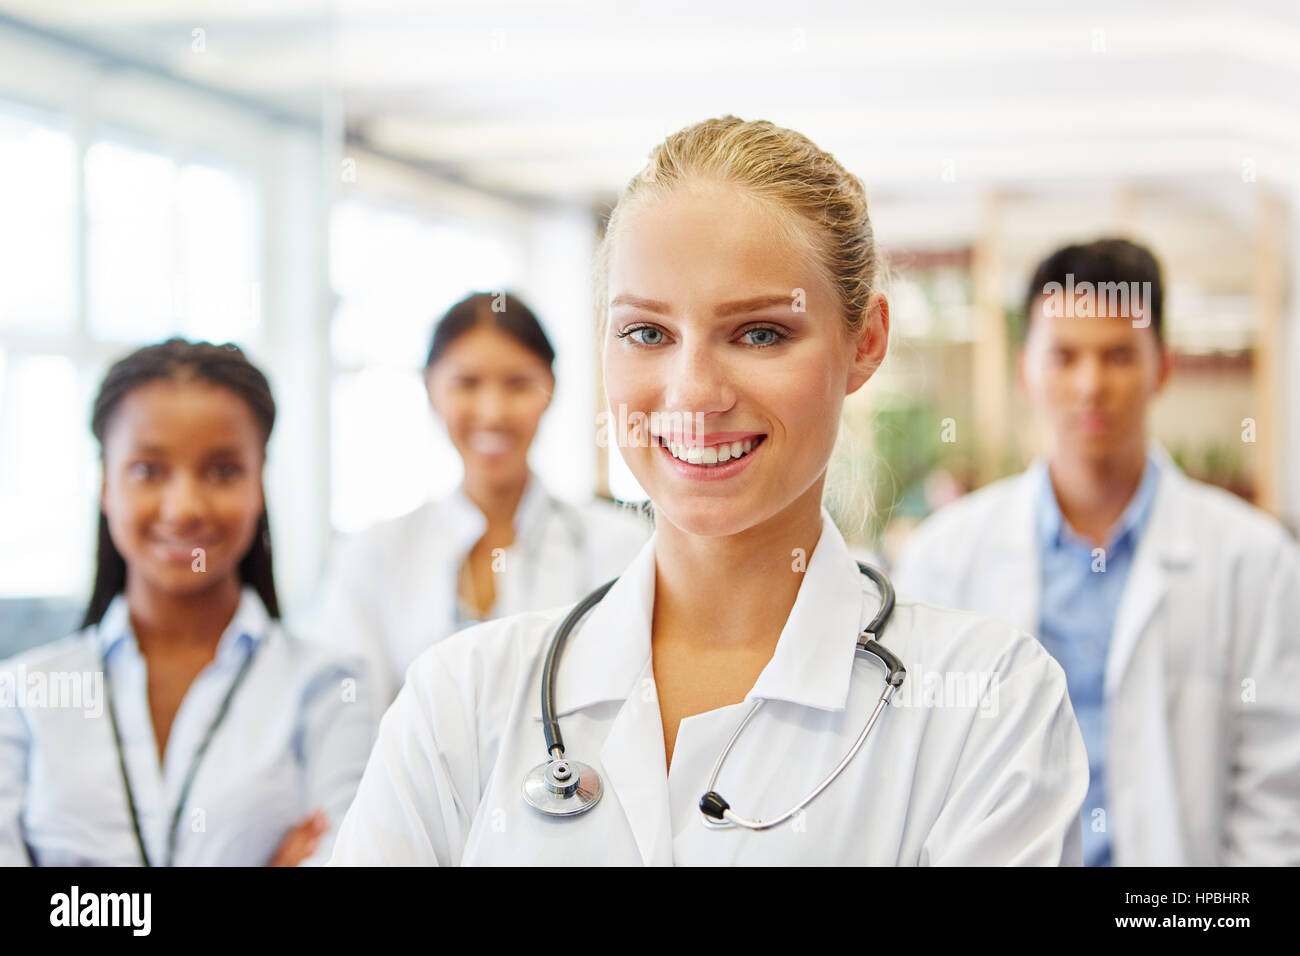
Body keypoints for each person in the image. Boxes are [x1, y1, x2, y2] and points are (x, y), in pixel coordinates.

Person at [328, 116, 1088, 866]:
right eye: (647, 333)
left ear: (867, 341)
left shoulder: (989, 704)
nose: (693, 393)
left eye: (760, 333)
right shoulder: (457, 701)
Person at [894, 239, 1300, 866]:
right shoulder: (946, 556)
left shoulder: (1254, 560)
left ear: (1163, 366)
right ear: (1025, 368)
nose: (1090, 385)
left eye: (1117, 356)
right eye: (1064, 356)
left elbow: (1275, 791)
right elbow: (913, 770)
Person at [0, 339, 373, 866]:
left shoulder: (333, 690)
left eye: (222, 472)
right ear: (105, 484)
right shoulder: (22, 697)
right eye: (149, 471)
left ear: (259, 483)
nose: (185, 507)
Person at [305, 291, 651, 716]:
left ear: (550, 390)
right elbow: (345, 724)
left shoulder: (621, 547)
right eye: (467, 384)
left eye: (518, 384)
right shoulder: (371, 556)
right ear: (431, 389)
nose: (492, 412)